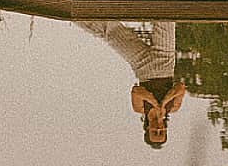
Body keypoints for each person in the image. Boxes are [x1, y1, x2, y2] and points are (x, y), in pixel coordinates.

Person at [77, 20, 186, 148]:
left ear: (147, 129)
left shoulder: (140, 109)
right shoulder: (173, 108)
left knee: (111, 33)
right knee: (165, 20)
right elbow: (180, 88)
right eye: (161, 131)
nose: (158, 129)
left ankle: (78, 15)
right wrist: (164, 103)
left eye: (154, 132)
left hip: (142, 66)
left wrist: (156, 104)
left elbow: (137, 90)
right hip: (165, 60)